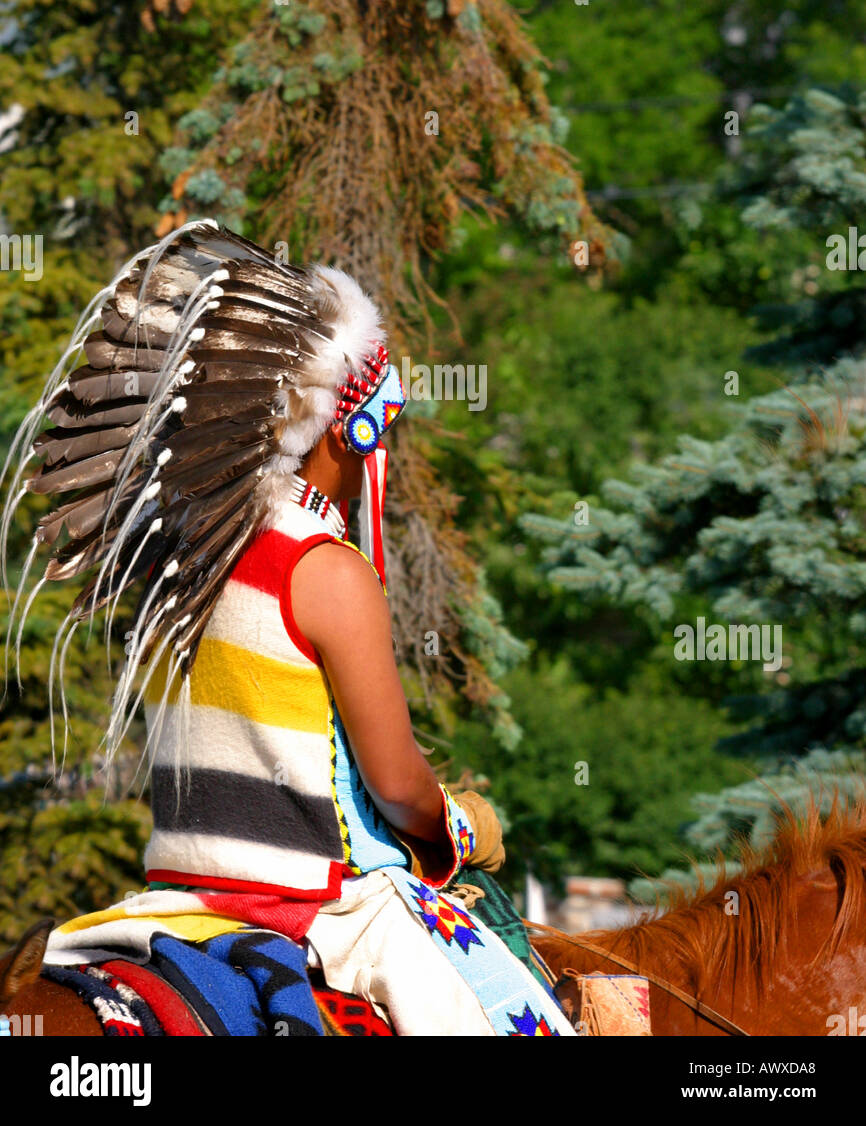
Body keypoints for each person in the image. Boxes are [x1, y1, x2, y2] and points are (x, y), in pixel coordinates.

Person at [3, 220, 575, 1036]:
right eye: (390, 420)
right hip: (315, 904)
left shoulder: (190, 551)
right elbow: (397, 787)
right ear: (355, 426)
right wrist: (459, 822)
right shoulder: (327, 571)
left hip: (174, 897)